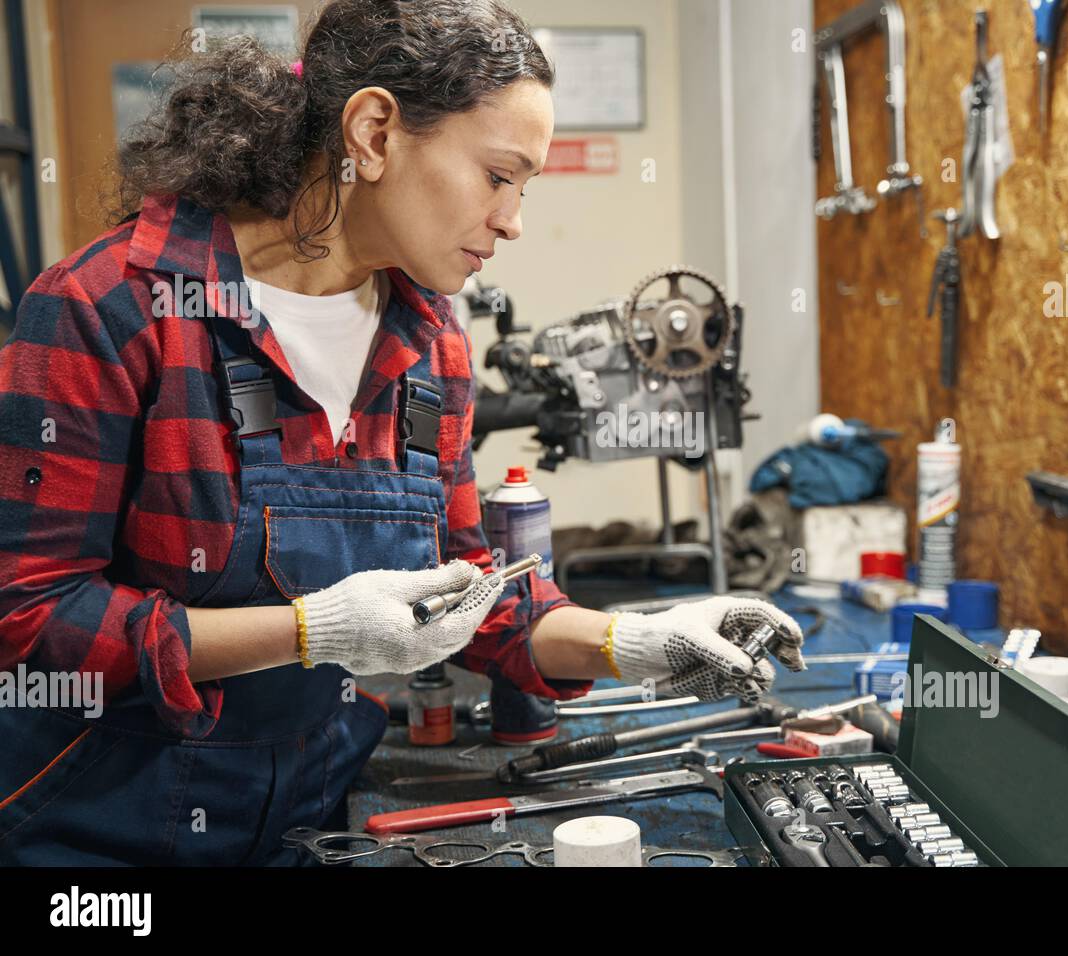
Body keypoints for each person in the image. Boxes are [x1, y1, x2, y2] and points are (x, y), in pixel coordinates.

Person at [0, 0, 804, 865]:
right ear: (375, 133)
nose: (513, 219)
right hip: (99, 834)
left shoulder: (430, 344)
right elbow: (31, 616)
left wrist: (636, 643)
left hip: (318, 821)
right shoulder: (110, 308)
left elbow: (473, 600)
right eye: (498, 176)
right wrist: (309, 631)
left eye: (524, 189)